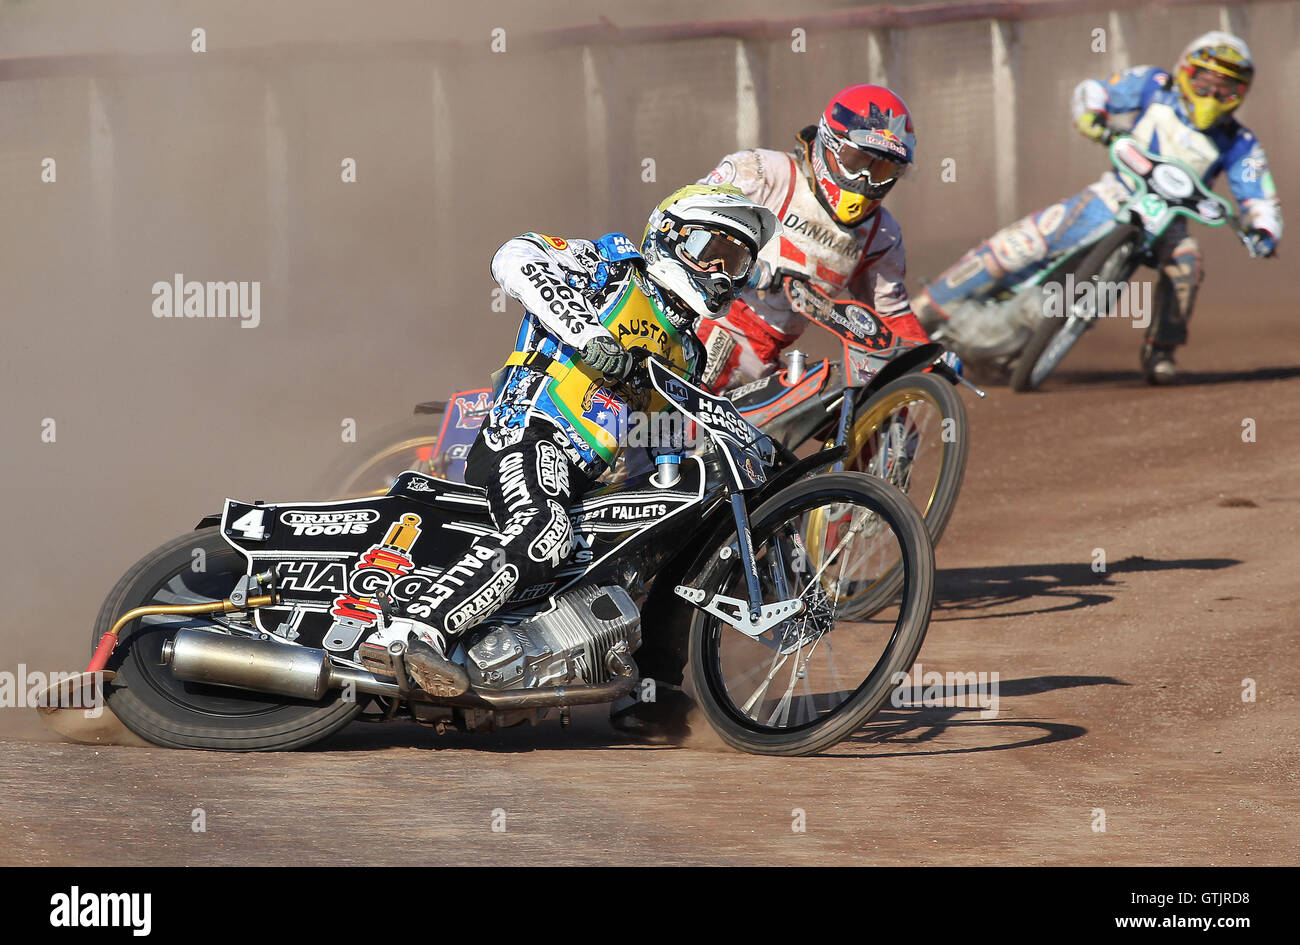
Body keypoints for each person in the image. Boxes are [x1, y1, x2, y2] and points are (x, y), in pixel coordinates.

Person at [398, 184, 778, 697]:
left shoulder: (689, 351)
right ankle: (418, 634)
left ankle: (651, 687)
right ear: (669, 236)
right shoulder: (614, 269)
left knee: (669, 538)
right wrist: (588, 336)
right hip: (524, 436)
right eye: (709, 251)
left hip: (585, 478)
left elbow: (657, 439)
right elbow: (514, 255)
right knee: (545, 532)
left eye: (734, 262)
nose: (718, 273)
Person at [913, 31, 1282, 385]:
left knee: (1186, 264)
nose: (1214, 93)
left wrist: (1264, 231)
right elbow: (1095, 90)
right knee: (1020, 243)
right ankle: (926, 307)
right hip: (1114, 194)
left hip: (1171, 222)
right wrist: (1093, 116)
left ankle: (1161, 353)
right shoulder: (1155, 85)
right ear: (1187, 71)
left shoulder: (1240, 142)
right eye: (1206, 82)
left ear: (1241, 93)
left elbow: (1259, 195)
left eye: (1227, 87)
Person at [694, 83, 928, 393]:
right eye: (859, 161)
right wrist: (748, 271)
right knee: (678, 433)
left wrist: (929, 359)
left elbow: (891, 315)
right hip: (697, 328)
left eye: (883, 169)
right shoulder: (763, 171)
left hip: (767, 362)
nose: (866, 179)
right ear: (829, 144)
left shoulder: (881, 233)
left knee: (867, 407)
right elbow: (685, 224)